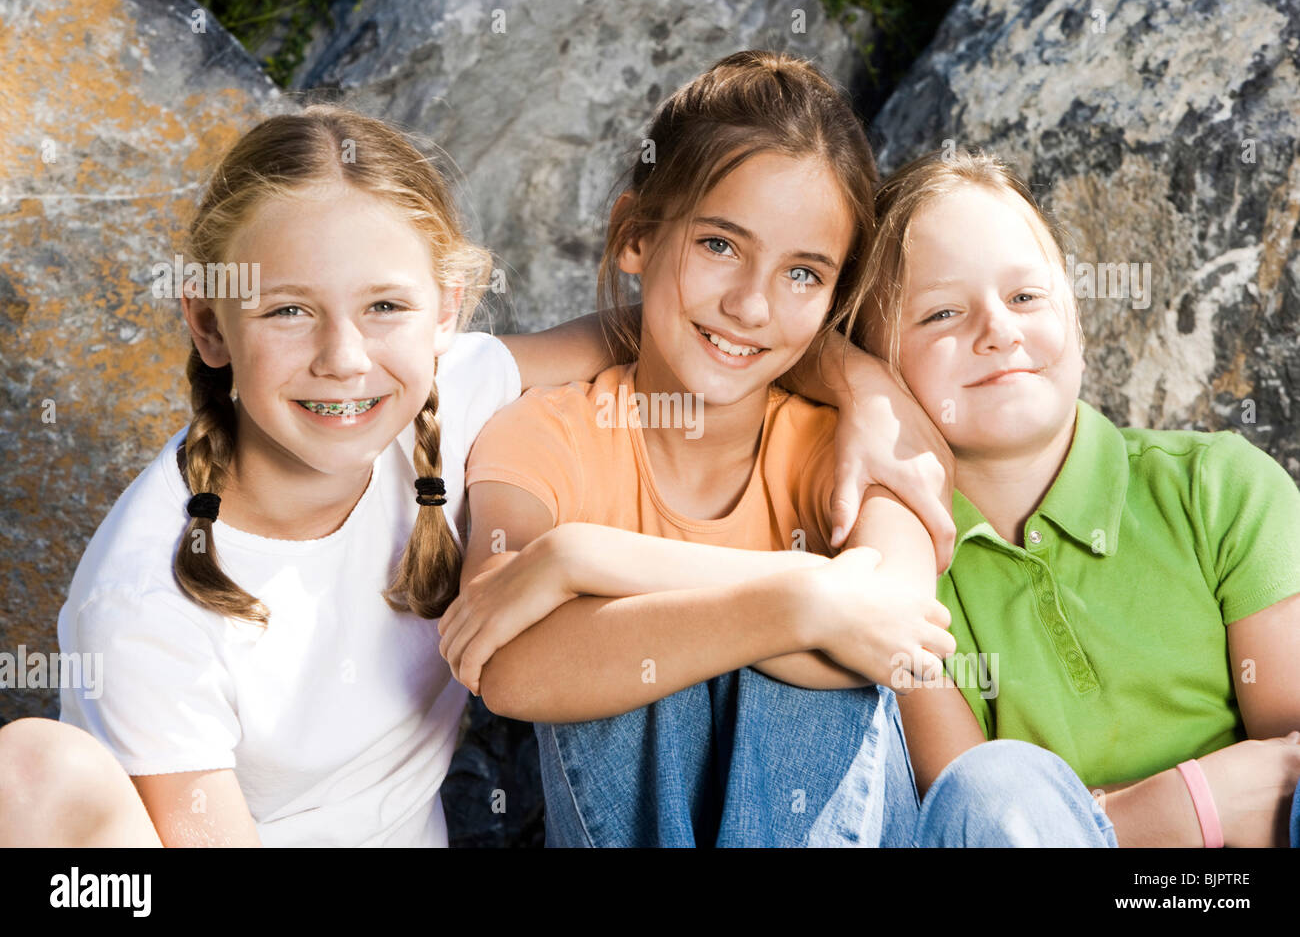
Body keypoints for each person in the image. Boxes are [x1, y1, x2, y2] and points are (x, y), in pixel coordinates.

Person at [0, 105, 951, 847]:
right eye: (289, 311)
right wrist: (800, 591)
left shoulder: (439, 396)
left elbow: (686, 332)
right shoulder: (146, 599)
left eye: (384, 306)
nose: (343, 358)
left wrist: (865, 388)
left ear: (445, 310)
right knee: (32, 767)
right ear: (210, 325)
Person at [443, 52, 1116, 847]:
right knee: (641, 662)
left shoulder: (850, 450)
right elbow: (509, 664)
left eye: (804, 272)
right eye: (720, 246)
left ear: (833, 298)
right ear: (635, 236)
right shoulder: (540, 437)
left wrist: (580, 559)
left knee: (691, 644)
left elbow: (893, 626)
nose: (752, 303)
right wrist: (806, 599)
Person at [852, 146, 1300, 847]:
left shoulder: (1218, 487)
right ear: (873, 364)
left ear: (1078, 317)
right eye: (941, 314)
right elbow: (978, 819)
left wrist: (1088, 816)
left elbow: (1290, 769)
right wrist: (1185, 805)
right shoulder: (906, 568)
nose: (999, 330)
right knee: (994, 787)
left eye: (1026, 296)